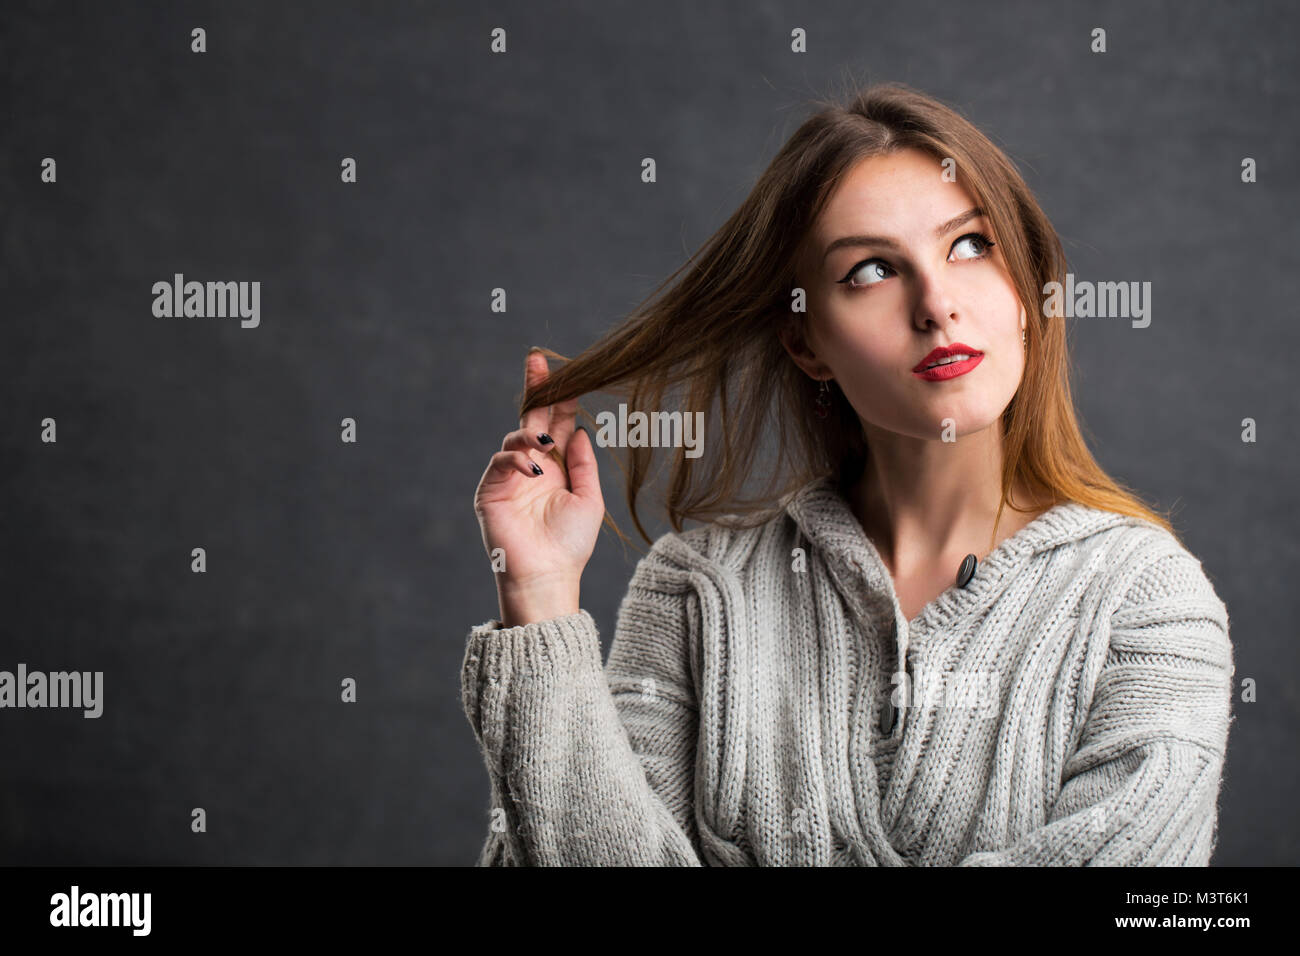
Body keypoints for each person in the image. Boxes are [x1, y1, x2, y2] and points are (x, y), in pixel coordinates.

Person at [462, 83, 1235, 865]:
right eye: (870, 270)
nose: (937, 305)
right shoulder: (695, 592)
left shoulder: (1147, 602)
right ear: (806, 344)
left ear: (1028, 292)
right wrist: (540, 597)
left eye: (969, 246)